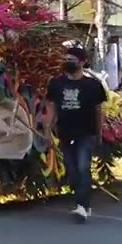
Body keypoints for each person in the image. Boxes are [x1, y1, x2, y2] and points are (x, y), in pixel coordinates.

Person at [46, 47, 107, 222]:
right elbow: (52, 110)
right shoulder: (56, 84)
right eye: (66, 59)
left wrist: (99, 133)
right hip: (65, 133)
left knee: (83, 167)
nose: (68, 62)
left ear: (82, 62)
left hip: (86, 133)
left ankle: (82, 206)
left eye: (71, 60)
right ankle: (83, 203)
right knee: (72, 170)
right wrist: (48, 131)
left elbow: (98, 111)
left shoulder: (93, 85)